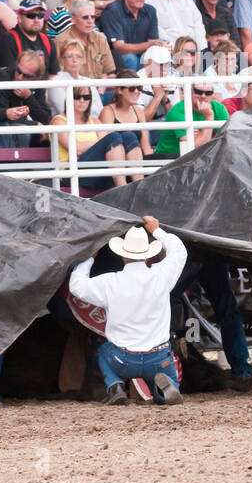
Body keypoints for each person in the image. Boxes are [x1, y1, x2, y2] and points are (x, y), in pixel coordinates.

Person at [69, 216, 187, 406]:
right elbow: (180, 252)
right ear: (148, 255)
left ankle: (115, 386)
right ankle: (162, 390)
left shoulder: (110, 282)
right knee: (159, 375)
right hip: (158, 356)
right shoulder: (161, 276)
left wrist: (89, 258)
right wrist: (156, 230)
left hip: (123, 359)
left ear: (122, 255)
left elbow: (77, 286)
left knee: (105, 350)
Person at [50, 82, 142, 190]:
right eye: (77, 97)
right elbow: (77, 149)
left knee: (129, 136)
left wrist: (95, 146)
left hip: (99, 170)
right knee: (113, 138)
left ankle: (140, 187)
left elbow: (104, 144)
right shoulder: (59, 121)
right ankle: (122, 190)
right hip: (71, 173)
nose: (82, 100)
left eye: (86, 97)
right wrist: (99, 144)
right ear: (69, 99)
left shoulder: (95, 121)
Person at [100, 0, 162, 70]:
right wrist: (149, 45)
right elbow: (119, 47)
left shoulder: (150, 11)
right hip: (117, 58)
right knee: (131, 59)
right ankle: (130, 86)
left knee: (158, 57)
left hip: (143, 55)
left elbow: (153, 42)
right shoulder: (112, 11)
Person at [153, 81, 227, 158]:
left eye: (208, 93)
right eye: (198, 92)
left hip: (193, 159)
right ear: (191, 91)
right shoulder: (177, 111)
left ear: (213, 94)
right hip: (168, 158)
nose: (203, 96)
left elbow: (227, 139)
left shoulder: (219, 108)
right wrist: (209, 117)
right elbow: (195, 149)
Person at [0, 0, 60, 76]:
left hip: (44, 88)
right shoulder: (9, 39)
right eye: (31, 16)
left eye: (40, 16)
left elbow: (53, 74)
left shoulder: (47, 41)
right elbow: (8, 76)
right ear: (19, 18)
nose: (36, 20)